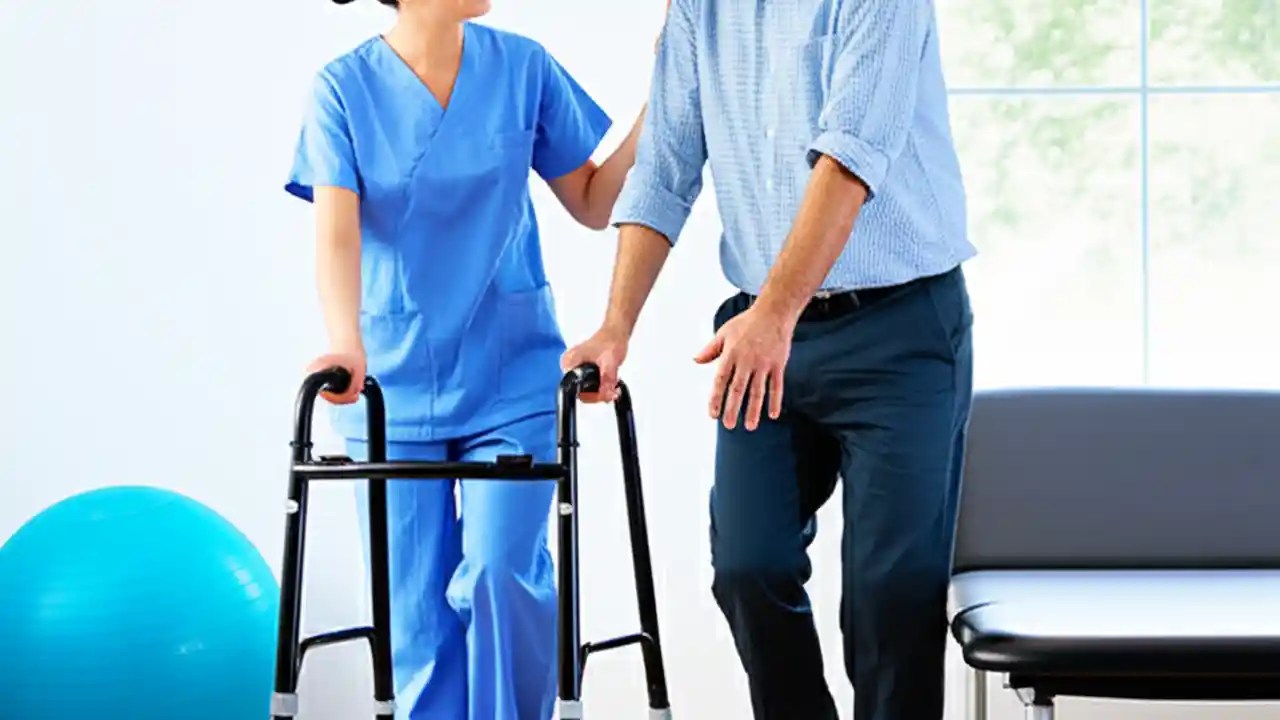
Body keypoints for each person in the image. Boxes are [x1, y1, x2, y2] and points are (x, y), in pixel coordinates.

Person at [563, 1, 975, 719]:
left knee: (891, 600)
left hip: (901, 333)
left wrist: (775, 315)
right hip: (761, 332)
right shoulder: (698, 10)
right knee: (748, 567)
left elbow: (849, 159)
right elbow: (663, 168)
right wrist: (615, 327)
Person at [283, 0, 649, 717]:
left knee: (499, 575)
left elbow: (592, 201)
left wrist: (662, 97)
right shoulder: (342, 89)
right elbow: (336, 233)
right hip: (391, 388)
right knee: (414, 616)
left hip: (511, 376)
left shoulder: (522, 68)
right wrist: (344, 340)